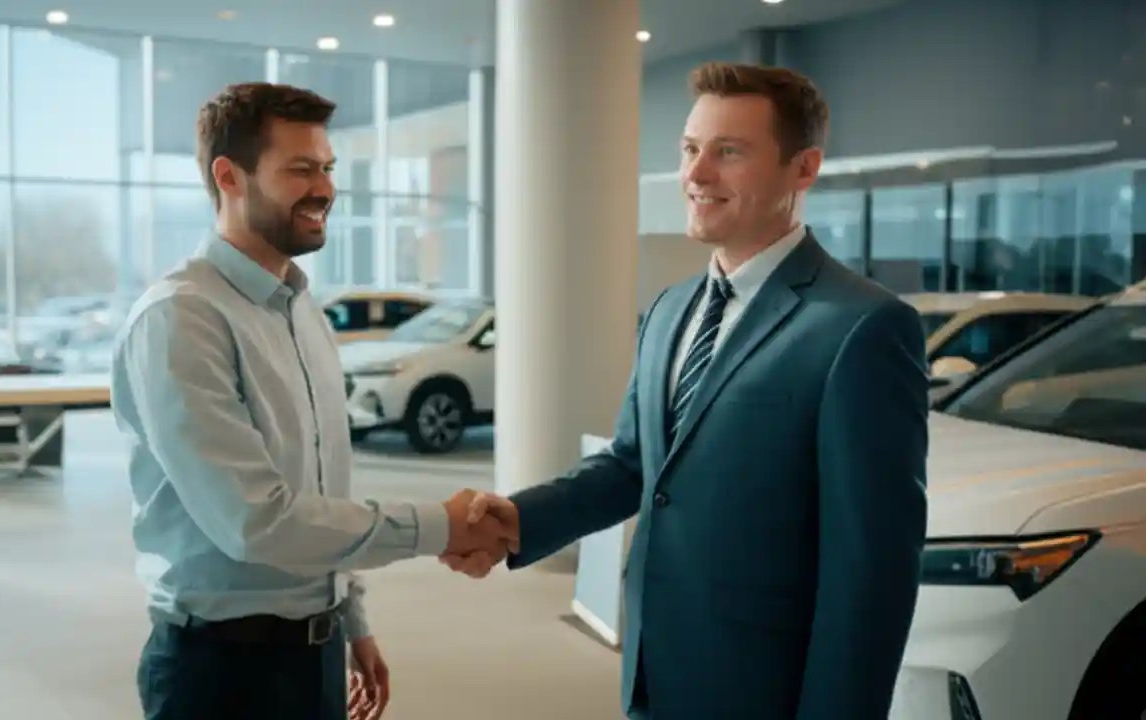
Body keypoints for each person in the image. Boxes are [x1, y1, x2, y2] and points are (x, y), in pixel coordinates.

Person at [443, 62, 929, 719]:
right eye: (690, 150)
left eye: (729, 153)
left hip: (765, 692)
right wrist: (520, 519)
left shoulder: (863, 327)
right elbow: (633, 465)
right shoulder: (672, 309)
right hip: (654, 673)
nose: (696, 176)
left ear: (804, 168)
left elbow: (871, 574)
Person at [110, 82, 508, 720]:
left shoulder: (301, 309)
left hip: (313, 654)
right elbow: (256, 522)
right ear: (228, 176)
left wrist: (350, 618)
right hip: (218, 675)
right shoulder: (181, 318)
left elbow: (323, 492)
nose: (323, 187)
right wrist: (444, 525)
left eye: (326, 168)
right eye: (300, 170)